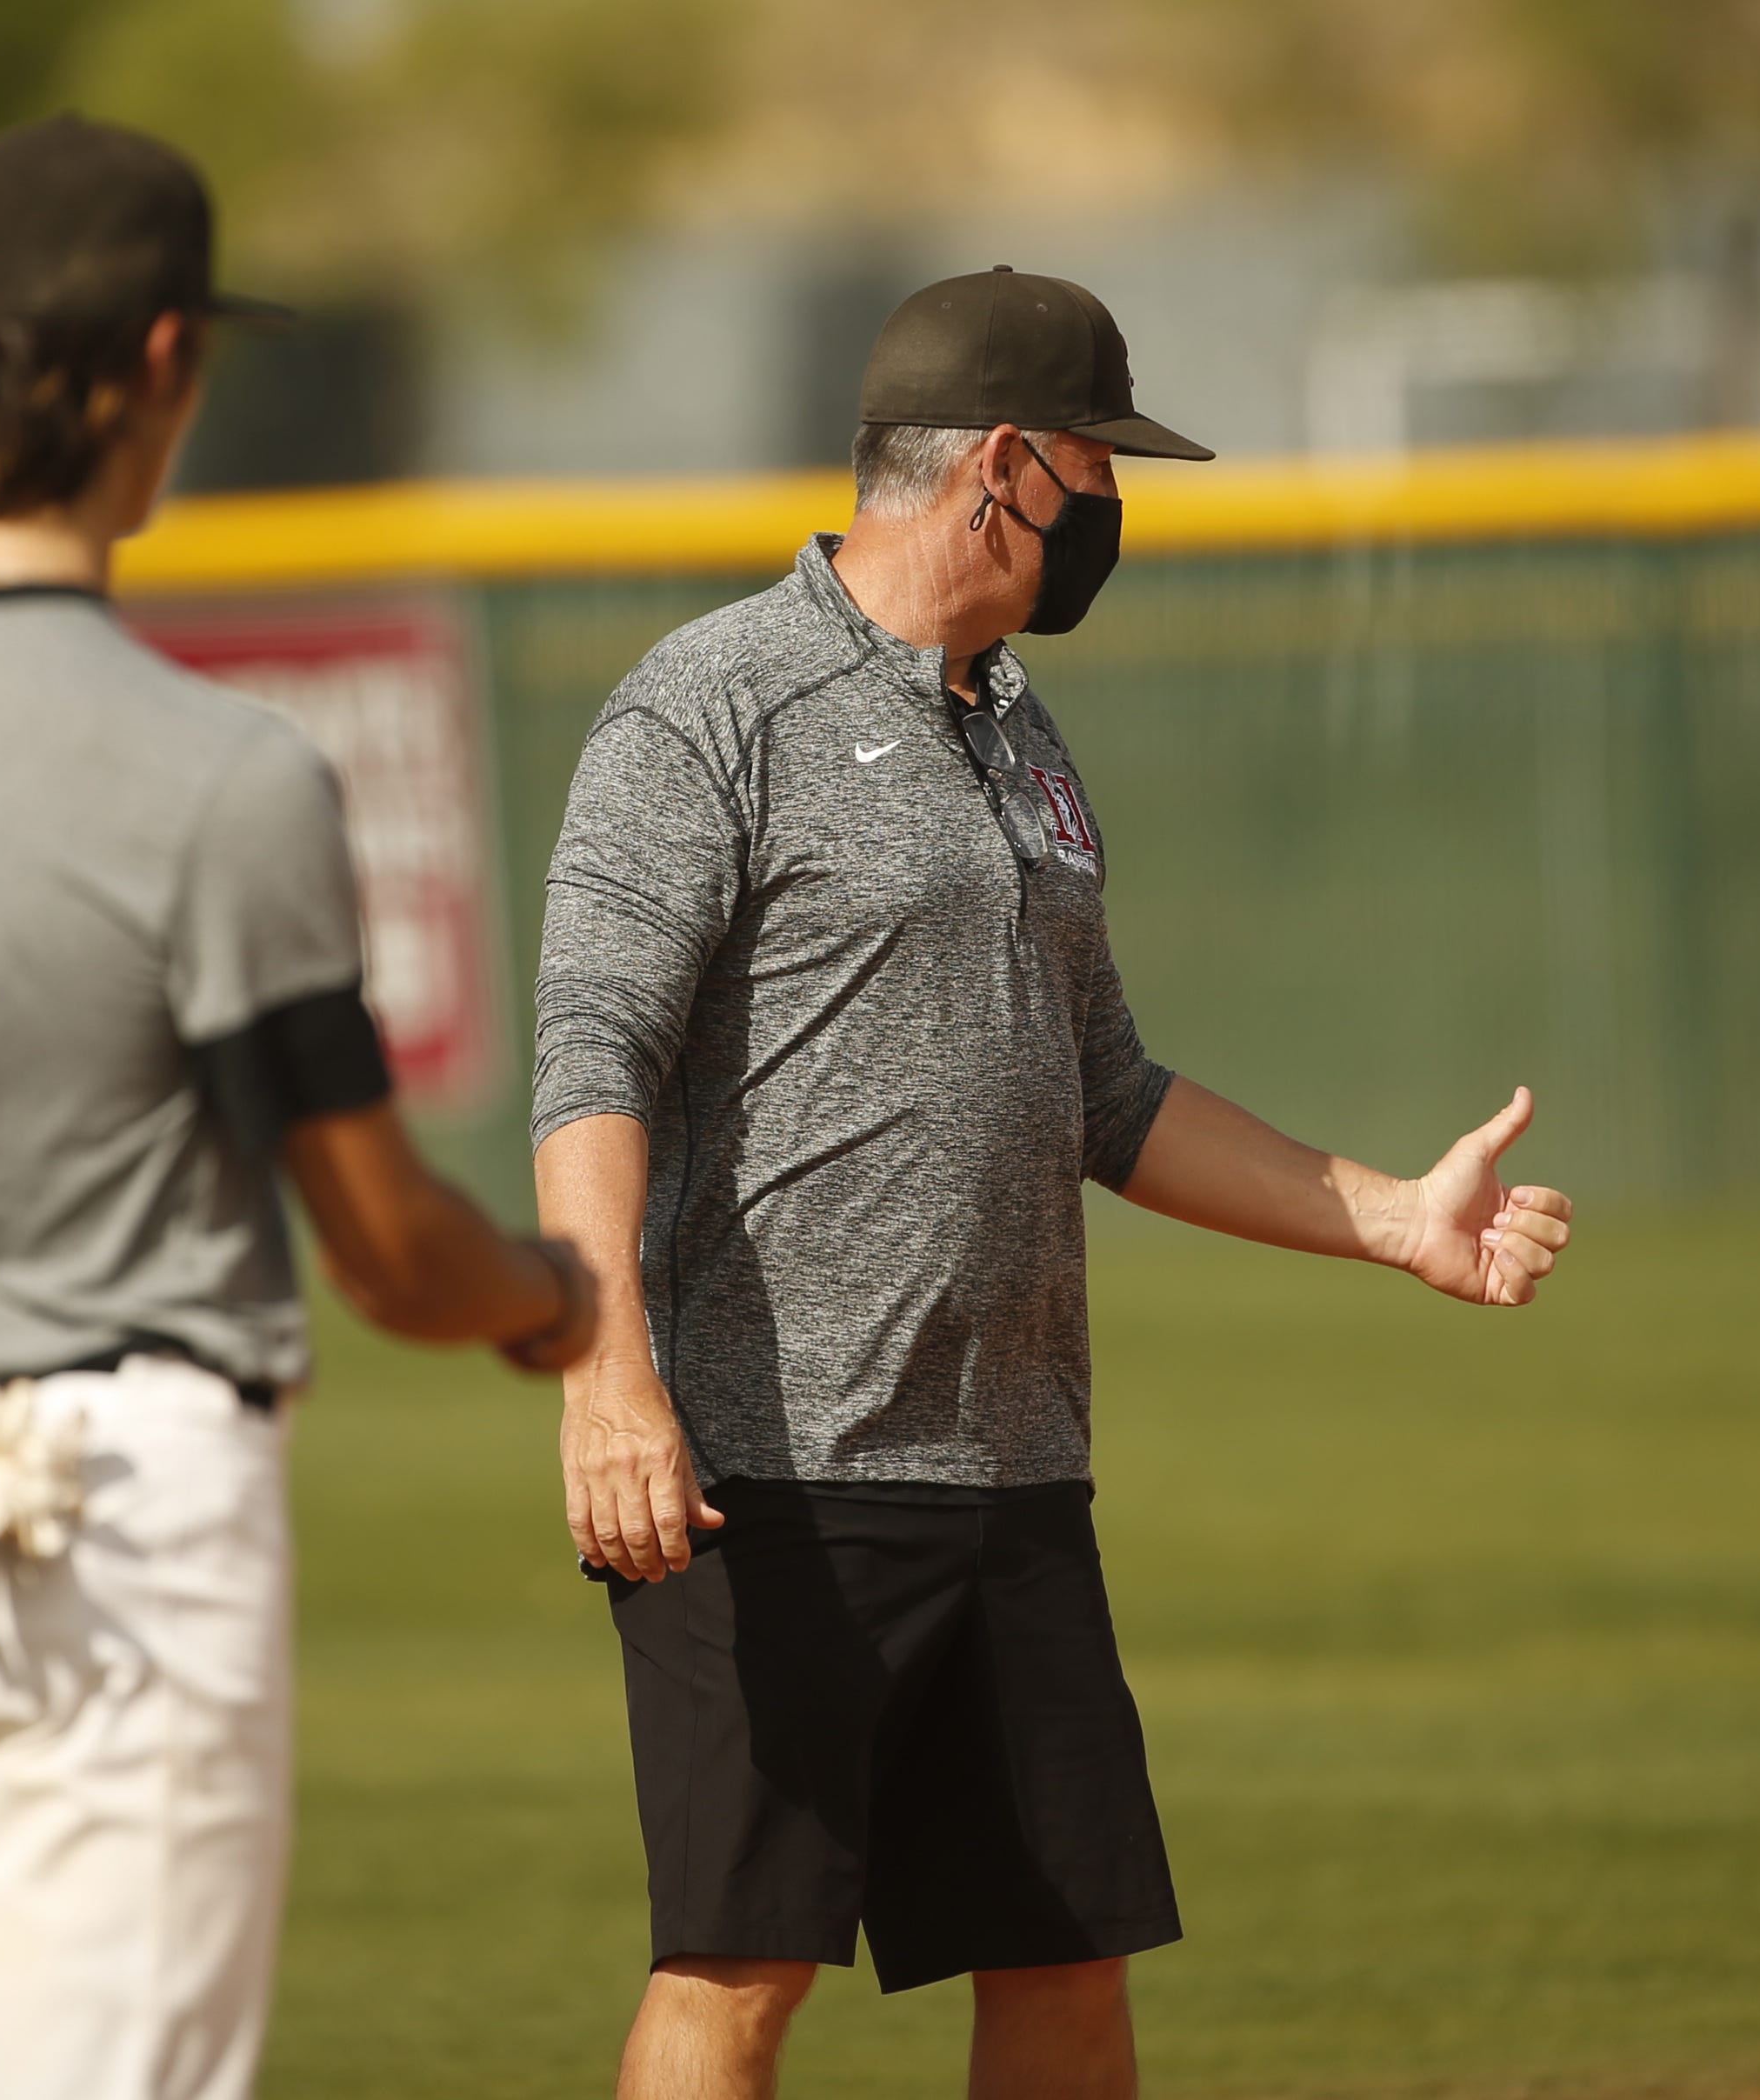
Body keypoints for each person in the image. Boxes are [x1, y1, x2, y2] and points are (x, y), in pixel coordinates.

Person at [531, 266, 1577, 2100]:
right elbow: (590, 1057)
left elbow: (1106, 1091)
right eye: (1098, 466)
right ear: (1001, 466)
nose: (1110, 507)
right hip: (772, 1472)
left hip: (1013, 1465)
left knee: (1064, 1962)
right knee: (739, 1966)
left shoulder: (1013, 723)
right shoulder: (709, 705)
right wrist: (606, 1372)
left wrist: (1393, 1217)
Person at [0, 117, 599, 2100]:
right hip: (105, 1546)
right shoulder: (219, 776)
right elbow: (386, 1253)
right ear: (155, 362)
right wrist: (555, 1299)